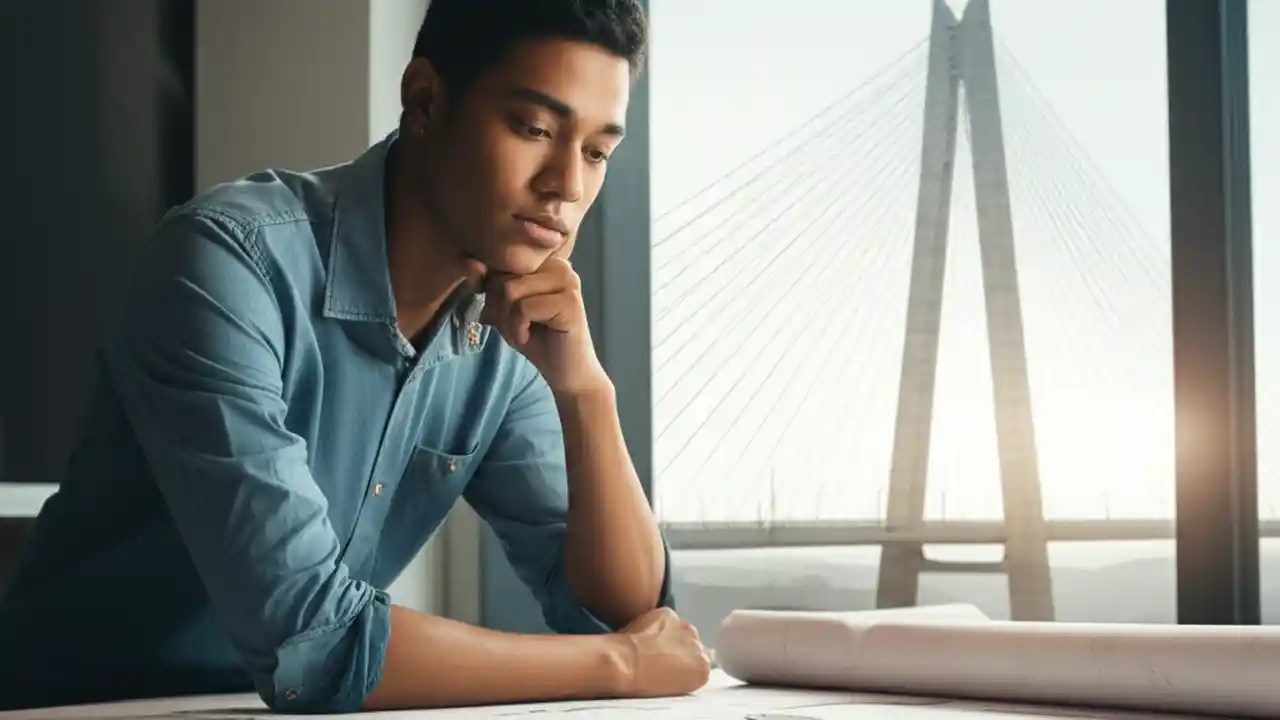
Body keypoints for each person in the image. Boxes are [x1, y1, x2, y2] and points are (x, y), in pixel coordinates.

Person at [0, 0, 711, 712]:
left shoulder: (503, 328)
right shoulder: (225, 265)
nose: (567, 185)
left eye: (596, 152)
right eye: (534, 128)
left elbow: (630, 616)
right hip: (70, 708)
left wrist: (586, 391)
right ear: (426, 99)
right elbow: (319, 642)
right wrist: (617, 664)